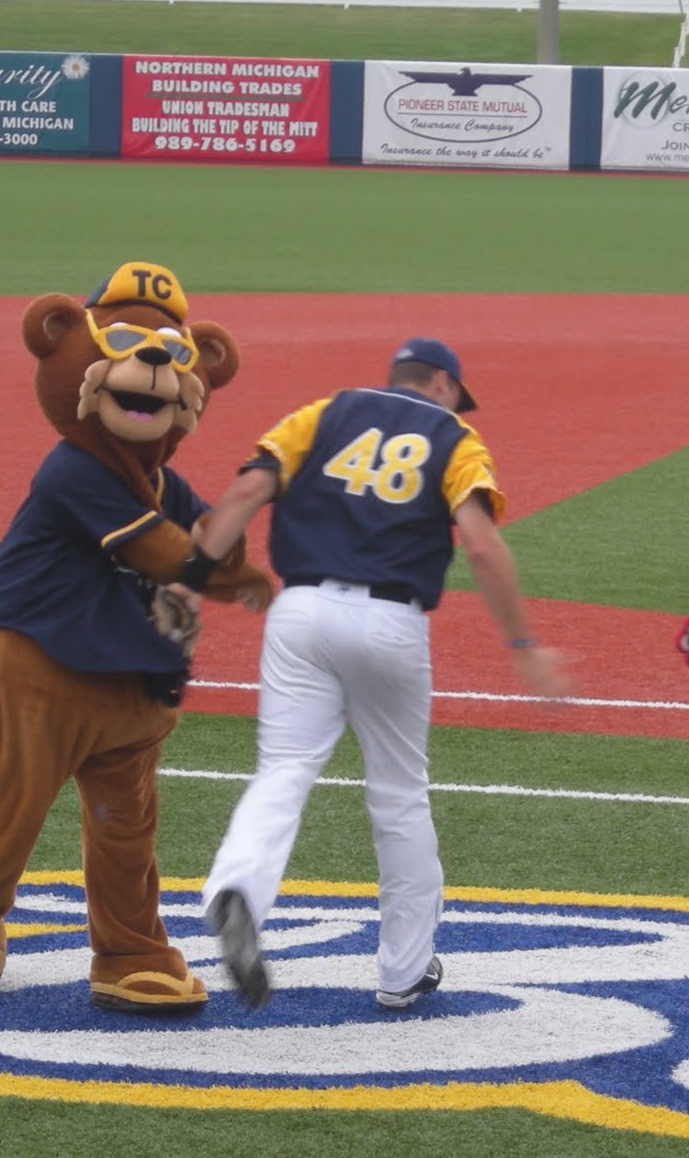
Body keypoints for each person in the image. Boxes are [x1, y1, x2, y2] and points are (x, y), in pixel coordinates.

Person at [181, 337, 571, 1011]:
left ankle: (237, 887)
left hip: (298, 613)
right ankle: (404, 971)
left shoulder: (323, 414)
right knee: (398, 793)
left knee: (284, 768)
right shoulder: (455, 438)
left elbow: (247, 489)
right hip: (391, 624)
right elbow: (479, 543)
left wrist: (189, 584)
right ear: (444, 384)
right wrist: (523, 644)